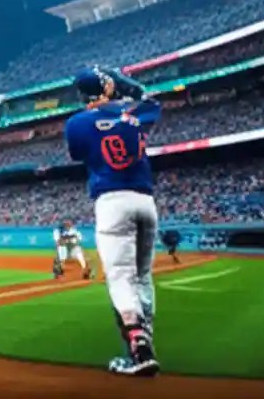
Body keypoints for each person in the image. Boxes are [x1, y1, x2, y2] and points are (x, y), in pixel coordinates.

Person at [65, 66, 161, 377]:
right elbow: (152, 102)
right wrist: (127, 87)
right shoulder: (134, 116)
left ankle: (139, 348)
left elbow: (78, 154)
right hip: (146, 202)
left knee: (120, 276)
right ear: (110, 87)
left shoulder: (77, 123)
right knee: (142, 275)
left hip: (112, 202)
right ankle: (146, 344)